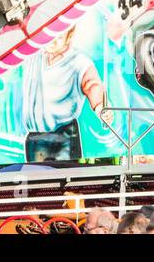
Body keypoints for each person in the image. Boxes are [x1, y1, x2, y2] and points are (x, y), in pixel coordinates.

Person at [22, 25, 112, 161]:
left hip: (63, 136)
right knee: (38, 178)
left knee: (64, 179)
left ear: (69, 37)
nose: (51, 41)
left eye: (58, 37)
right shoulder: (36, 55)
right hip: (36, 137)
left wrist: (100, 107)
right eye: (49, 35)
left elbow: (92, 84)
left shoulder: (78, 61)